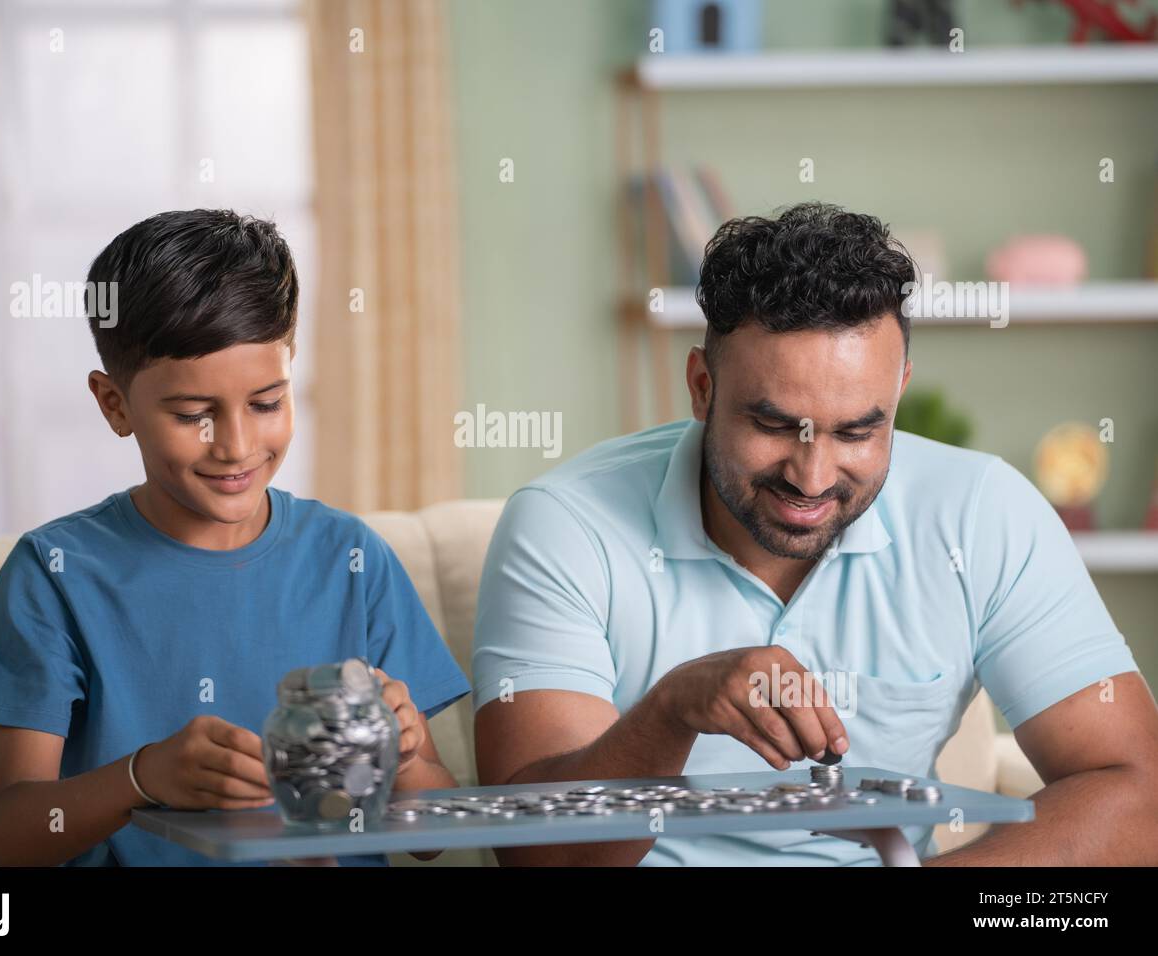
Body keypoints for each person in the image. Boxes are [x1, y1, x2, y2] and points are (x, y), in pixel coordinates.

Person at [472, 202, 1157, 866]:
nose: (813, 476)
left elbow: (1138, 794)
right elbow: (540, 855)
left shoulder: (983, 512)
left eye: (858, 430)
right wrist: (670, 712)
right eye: (774, 426)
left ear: (899, 390)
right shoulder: (564, 525)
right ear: (702, 387)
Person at [0, 209, 470, 866]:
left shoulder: (351, 559)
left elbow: (436, 838)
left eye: (266, 403)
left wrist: (410, 755)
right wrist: (140, 779)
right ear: (115, 405)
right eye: (193, 414)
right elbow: (8, 839)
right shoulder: (55, 574)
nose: (237, 446)